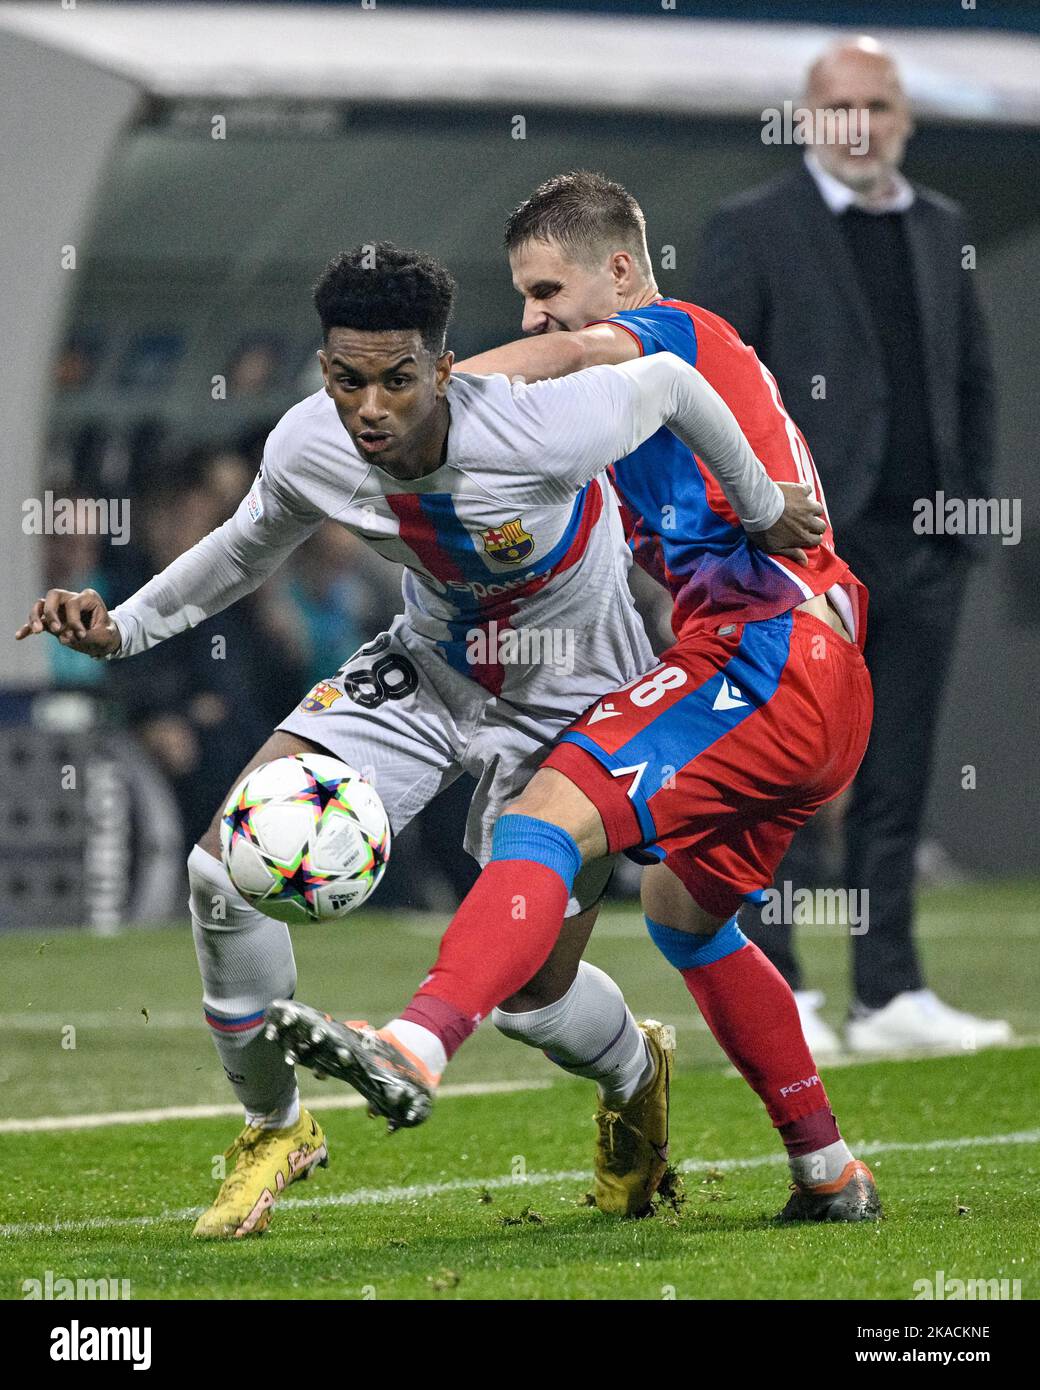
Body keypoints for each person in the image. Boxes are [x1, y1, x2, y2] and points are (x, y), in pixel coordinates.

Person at [16, 242, 818, 1237]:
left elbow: (668, 381)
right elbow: (241, 549)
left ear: (442, 369)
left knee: (530, 995)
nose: (370, 409)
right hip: (427, 671)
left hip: (571, 696)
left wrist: (759, 500)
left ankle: (628, 1070)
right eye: (348, 380)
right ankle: (275, 1127)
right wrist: (124, 626)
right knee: (222, 874)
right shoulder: (310, 442)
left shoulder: (538, 429)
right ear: (324, 373)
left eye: (397, 379)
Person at [265, 174, 882, 1225]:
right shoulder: (613, 424)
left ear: (622, 273)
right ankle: (827, 1171)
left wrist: (430, 389)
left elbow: (568, 356)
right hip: (801, 670)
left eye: (549, 287)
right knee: (681, 915)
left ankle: (415, 1042)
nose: (535, 314)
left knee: (543, 814)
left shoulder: (666, 331)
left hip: (766, 657)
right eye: (522, 293)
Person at [692, 36, 1009, 1054]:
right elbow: (708, 392)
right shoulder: (749, 226)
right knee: (783, 772)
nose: (859, 124)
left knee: (895, 773)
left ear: (903, 117)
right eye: (838, 106)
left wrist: (964, 507)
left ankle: (888, 989)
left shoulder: (941, 225)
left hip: (921, 545)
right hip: (798, 551)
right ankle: (779, 985)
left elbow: (969, 381)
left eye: (876, 105)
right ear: (804, 115)